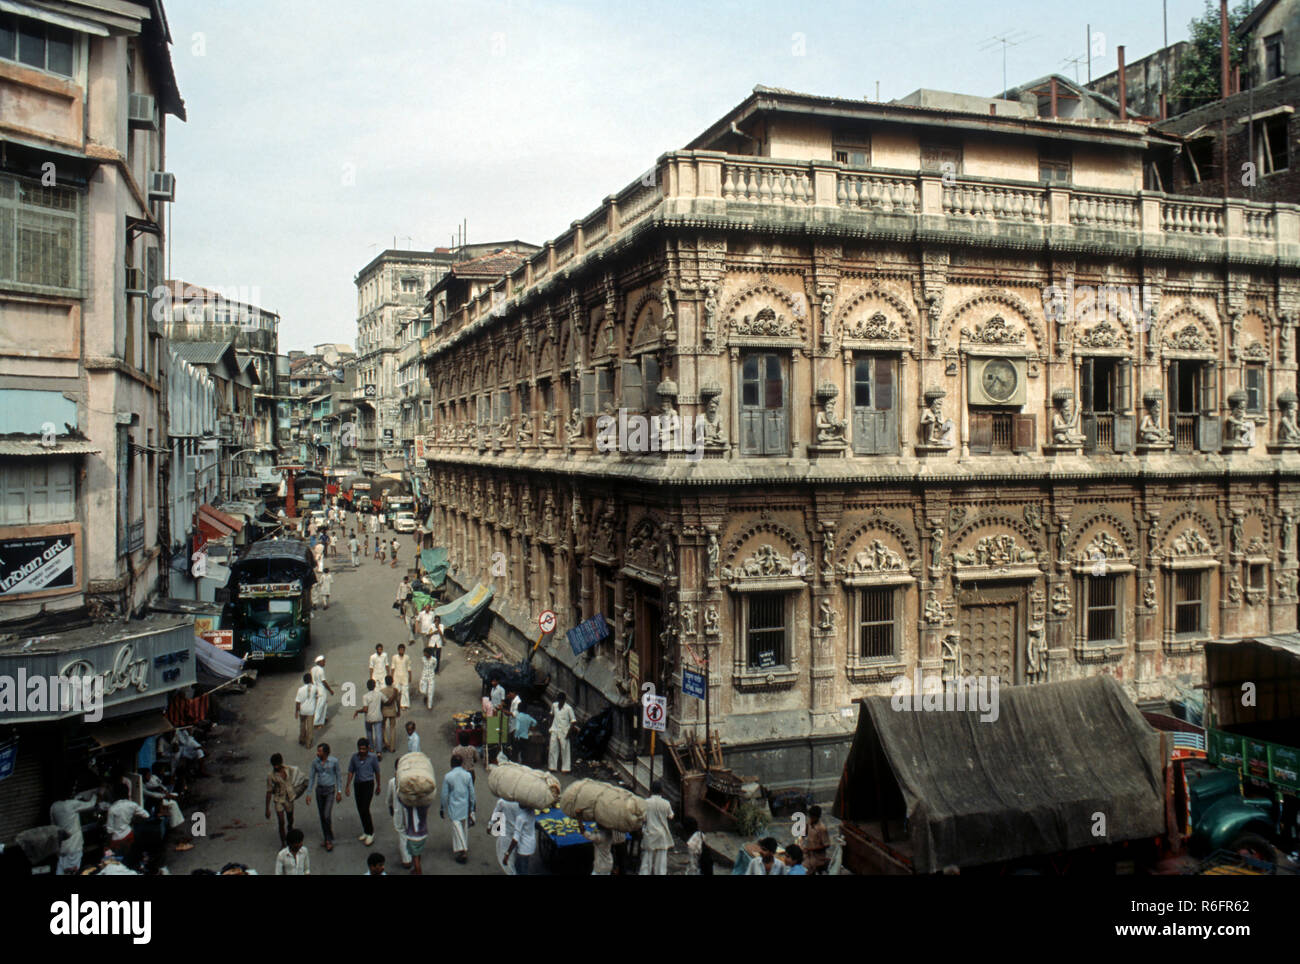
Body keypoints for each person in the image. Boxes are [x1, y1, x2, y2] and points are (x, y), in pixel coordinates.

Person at [50, 787, 99, 875]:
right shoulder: (71, 804)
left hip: (62, 847)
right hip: (74, 846)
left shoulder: (54, 806)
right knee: (73, 871)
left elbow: (53, 826)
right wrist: (96, 794)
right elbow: (91, 804)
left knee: (61, 870)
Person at [440, 755, 476, 863]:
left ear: (452, 764)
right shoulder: (467, 775)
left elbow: (444, 795)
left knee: (457, 829)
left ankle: (463, 850)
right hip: (465, 806)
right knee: (463, 829)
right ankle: (462, 849)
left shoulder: (448, 776)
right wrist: (472, 806)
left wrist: (442, 807)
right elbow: (472, 792)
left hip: (454, 807)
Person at [306, 742, 342, 851]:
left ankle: (328, 839)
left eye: (320, 751)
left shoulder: (334, 761)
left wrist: (339, 792)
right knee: (322, 815)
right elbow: (312, 777)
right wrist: (309, 793)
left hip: (330, 790)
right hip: (320, 790)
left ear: (326, 753)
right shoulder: (315, 763)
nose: (317, 753)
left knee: (327, 815)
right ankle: (327, 836)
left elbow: (338, 776)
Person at [345, 738, 381, 846]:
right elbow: (351, 771)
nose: (362, 751)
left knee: (365, 808)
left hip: (368, 784)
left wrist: (378, 785)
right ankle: (365, 831)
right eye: (360, 749)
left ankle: (370, 832)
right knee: (360, 809)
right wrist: (347, 786)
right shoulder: (354, 758)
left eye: (364, 749)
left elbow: (377, 772)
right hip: (358, 784)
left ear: (368, 748)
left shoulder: (373, 758)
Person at [640, 781, 673, 875]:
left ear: (651, 790)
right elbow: (671, 816)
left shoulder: (646, 802)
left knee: (647, 859)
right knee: (661, 862)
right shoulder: (666, 803)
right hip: (662, 834)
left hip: (649, 833)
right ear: (661, 791)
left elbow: (643, 818)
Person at [383, 772, 412, 870]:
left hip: (399, 812)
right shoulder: (410, 780)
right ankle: (411, 856)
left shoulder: (392, 781)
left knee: (402, 835)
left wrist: (390, 807)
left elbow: (389, 798)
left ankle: (406, 859)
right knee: (409, 833)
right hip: (409, 812)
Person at [265, 753, 296, 846]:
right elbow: (269, 791)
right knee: (281, 821)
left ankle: (290, 829)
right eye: (274, 765)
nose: (275, 767)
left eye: (277, 765)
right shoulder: (271, 776)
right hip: (279, 799)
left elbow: (296, 777)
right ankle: (283, 843)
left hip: (289, 798)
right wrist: (267, 808)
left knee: (290, 818)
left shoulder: (289, 769)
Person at [504, 797, 538, 875]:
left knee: (521, 869)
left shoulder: (521, 818)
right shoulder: (532, 812)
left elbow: (516, 838)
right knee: (523, 866)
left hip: (523, 848)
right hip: (531, 845)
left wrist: (507, 853)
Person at [397, 799, 430, 875]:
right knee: (418, 852)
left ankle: (418, 871)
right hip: (423, 833)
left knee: (415, 857)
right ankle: (416, 869)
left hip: (413, 835)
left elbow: (401, 800)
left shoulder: (409, 807)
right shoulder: (425, 806)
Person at [547, 692, 577, 773]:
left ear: (564, 700)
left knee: (565, 750)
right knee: (553, 748)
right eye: (559, 700)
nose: (560, 702)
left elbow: (573, 721)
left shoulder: (568, 708)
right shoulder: (554, 705)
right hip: (555, 729)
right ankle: (552, 767)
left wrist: (569, 733)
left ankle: (566, 768)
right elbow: (551, 714)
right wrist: (550, 725)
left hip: (564, 731)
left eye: (561, 701)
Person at [354, 679, 384, 757]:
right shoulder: (379, 694)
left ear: (367, 687)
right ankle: (379, 752)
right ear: (374, 686)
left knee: (369, 733)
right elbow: (386, 701)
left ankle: (371, 747)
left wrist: (358, 711)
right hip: (378, 716)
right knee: (378, 734)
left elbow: (365, 709)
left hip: (369, 718)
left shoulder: (365, 696)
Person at [490, 797, 519, 874]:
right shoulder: (521, 803)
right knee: (513, 856)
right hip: (518, 833)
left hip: (506, 833)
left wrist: (490, 825)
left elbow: (496, 814)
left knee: (506, 856)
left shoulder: (502, 802)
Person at [800, 804, 831, 874]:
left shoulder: (822, 828)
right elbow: (805, 832)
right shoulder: (810, 823)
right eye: (810, 816)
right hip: (808, 853)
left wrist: (812, 849)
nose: (810, 818)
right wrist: (801, 839)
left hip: (817, 857)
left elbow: (827, 845)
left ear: (817, 817)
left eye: (812, 817)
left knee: (804, 868)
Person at [311, 656, 334, 729]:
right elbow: (324, 682)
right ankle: (316, 723)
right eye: (323, 661)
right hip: (321, 690)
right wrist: (330, 690)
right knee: (320, 706)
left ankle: (324, 718)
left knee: (322, 704)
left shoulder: (313, 669)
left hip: (315, 689)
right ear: (319, 662)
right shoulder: (321, 670)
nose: (324, 663)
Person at [379, 675, 401, 753]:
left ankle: (386, 742)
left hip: (384, 711)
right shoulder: (395, 690)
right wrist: (398, 711)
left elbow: (380, 702)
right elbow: (398, 701)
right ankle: (392, 747)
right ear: (392, 681)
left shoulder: (382, 691)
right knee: (392, 728)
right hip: (392, 711)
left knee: (383, 727)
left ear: (385, 682)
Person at [294, 673, 317, 748]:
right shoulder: (314, 688)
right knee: (310, 727)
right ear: (311, 680)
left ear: (304, 680)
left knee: (302, 725)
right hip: (311, 711)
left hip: (302, 711)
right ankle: (308, 743)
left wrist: (296, 712)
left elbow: (298, 702)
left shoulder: (300, 690)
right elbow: (317, 695)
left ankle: (302, 739)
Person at [391, 643, 411, 710]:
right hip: (396, 676)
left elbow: (409, 667)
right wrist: (391, 676)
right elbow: (393, 667)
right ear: (398, 650)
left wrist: (410, 676)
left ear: (404, 650)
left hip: (405, 676)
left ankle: (404, 705)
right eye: (400, 650)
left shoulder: (407, 657)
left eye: (403, 650)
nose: (401, 651)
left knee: (405, 690)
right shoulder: (394, 657)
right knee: (396, 691)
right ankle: (396, 705)